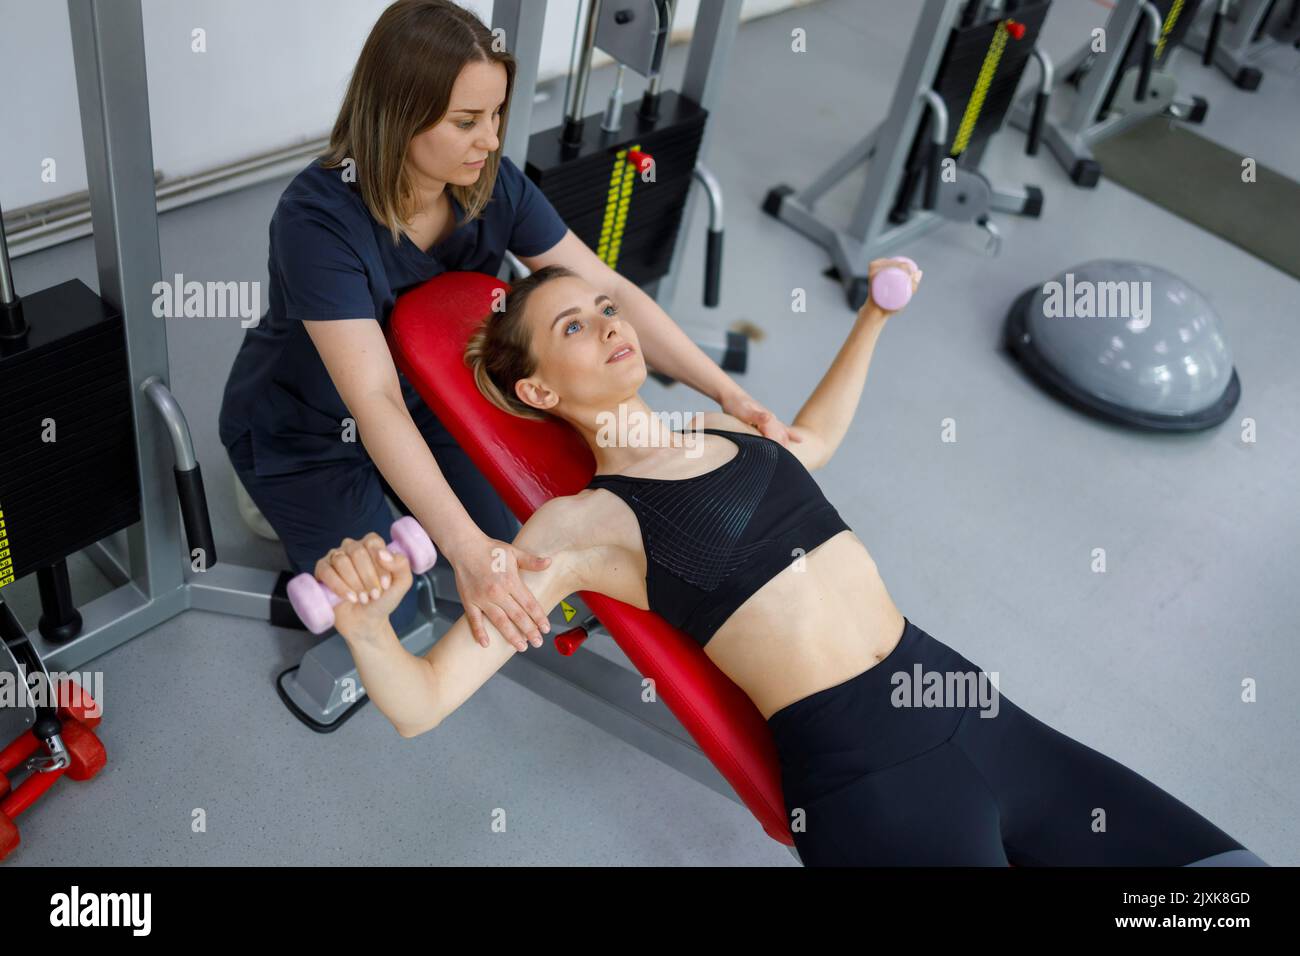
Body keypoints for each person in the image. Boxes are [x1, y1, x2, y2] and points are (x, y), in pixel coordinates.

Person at [306, 260, 1269, 867]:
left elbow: (806, 439)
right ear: (535, 387)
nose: (610, 324)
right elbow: (422, 703)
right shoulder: (576, 526)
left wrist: (873, 321)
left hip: (966, 706)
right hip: (871, 786)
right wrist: (363, 623)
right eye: (574, 327)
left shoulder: (718, 422)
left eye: (607, 305)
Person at [217, 0, 795, 647]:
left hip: (432, 402)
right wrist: (465, 550)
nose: (491, 140)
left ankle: (391, 502)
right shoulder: (316, 220)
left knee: (533, 553)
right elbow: (373, 397)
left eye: (495, 115)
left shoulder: (490, 181)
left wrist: (727, 393)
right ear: (398, 116)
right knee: (397, 624)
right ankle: (275, 500)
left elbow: (605, 287)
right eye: (466, 121)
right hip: (308, 428)